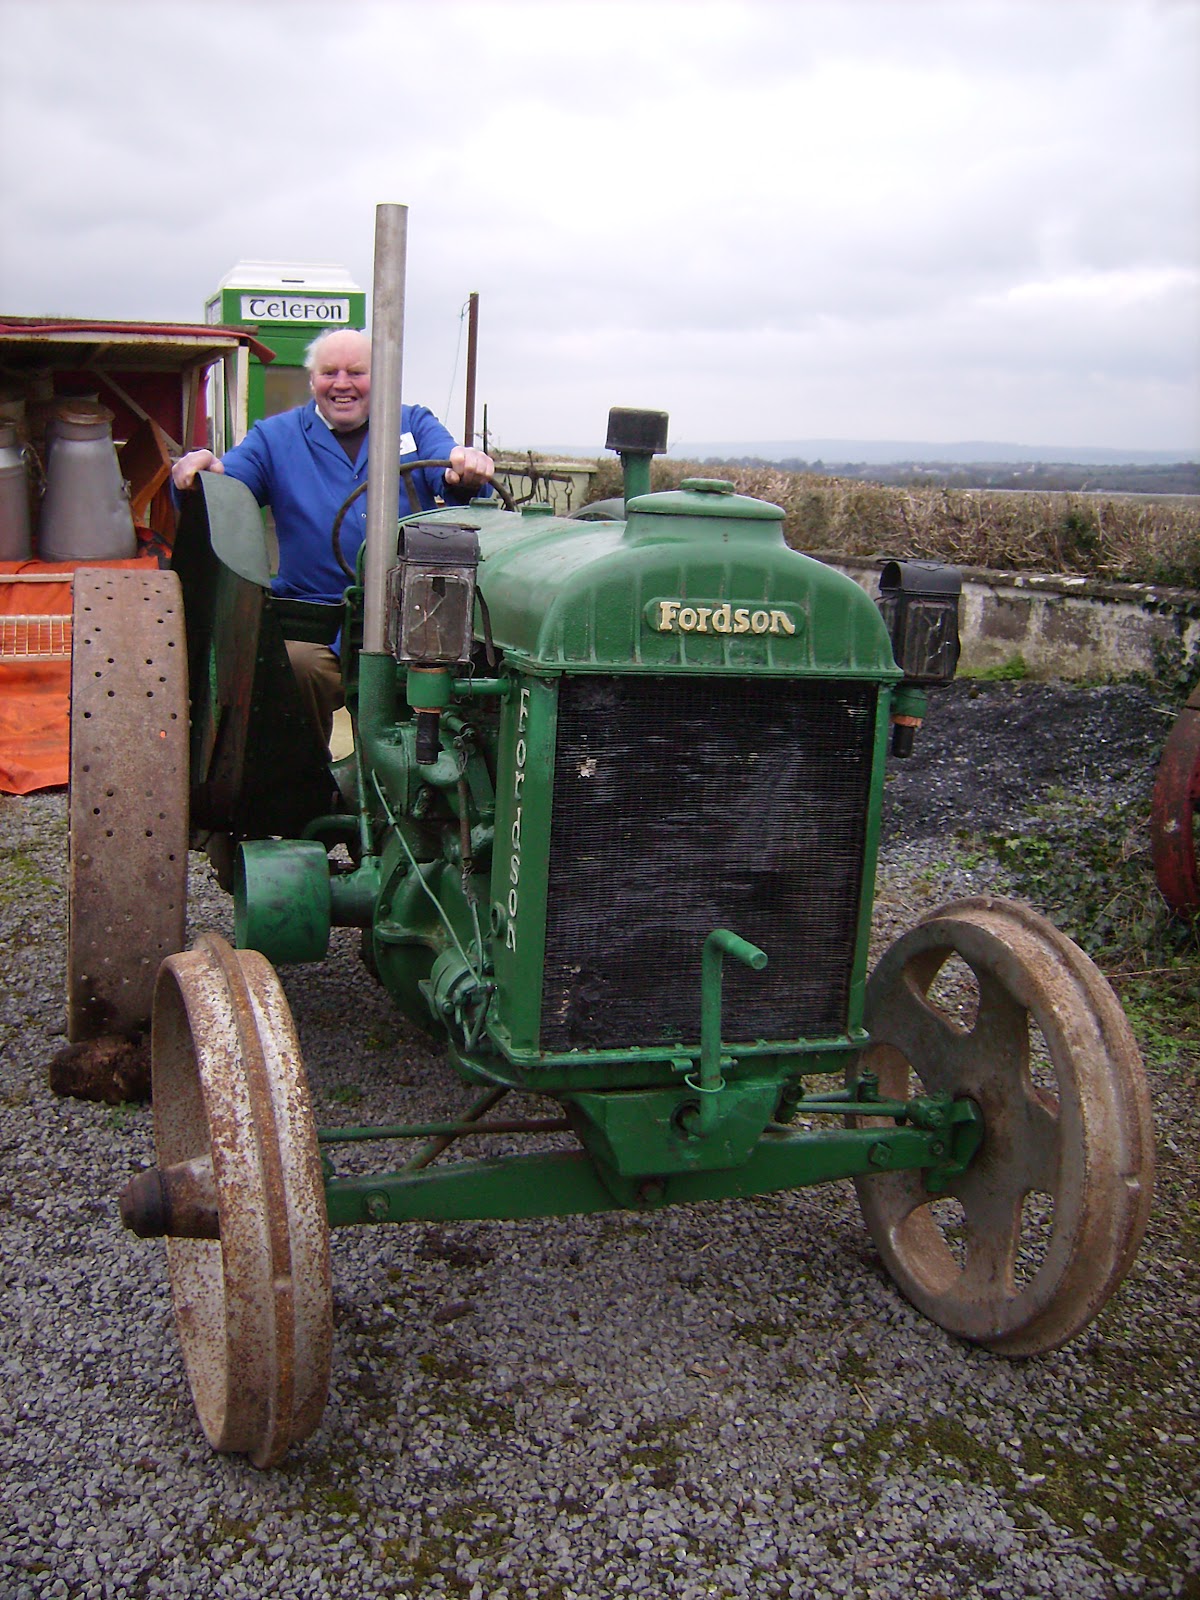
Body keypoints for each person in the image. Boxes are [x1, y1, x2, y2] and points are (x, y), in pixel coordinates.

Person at [171, 327, 495, 748]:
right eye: (329, 373)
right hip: (316, 619)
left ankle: (412, 773)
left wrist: (465, 469)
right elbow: (225, 486)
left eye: (356, 372)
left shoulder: (414, 424)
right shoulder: (274, 438)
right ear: (312, 381)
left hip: (412, 617)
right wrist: (200, 477)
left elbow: (448, 467)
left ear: (381, 380)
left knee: (458, 680)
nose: (342, 384)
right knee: (291, 667)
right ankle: (305, 777)